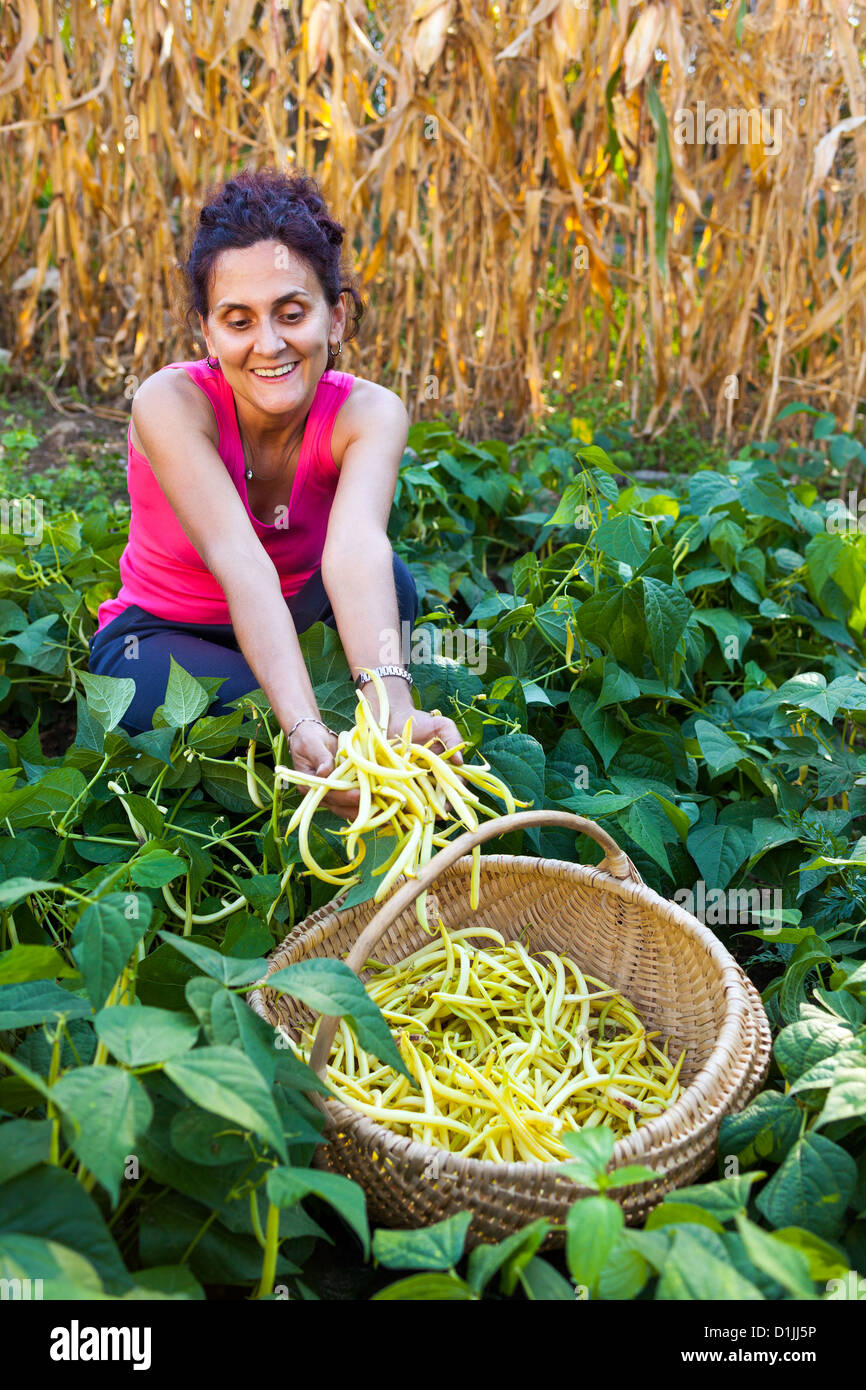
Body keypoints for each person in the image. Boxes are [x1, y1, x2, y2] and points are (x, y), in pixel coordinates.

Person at [88, 166, 463, 819]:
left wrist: (392, 701)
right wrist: (297, 722)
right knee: (236, 709)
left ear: (335, 316)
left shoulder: (370, 414)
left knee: (392, 583)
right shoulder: (170, 403)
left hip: (295, 615)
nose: (269, 344)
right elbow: (241, 562)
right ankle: (312, 742)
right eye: (238, 321)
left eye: (292, 313)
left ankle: (359, 728)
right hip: (160, 636)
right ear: (207, 332)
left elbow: (353, 552)